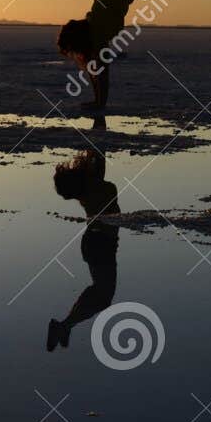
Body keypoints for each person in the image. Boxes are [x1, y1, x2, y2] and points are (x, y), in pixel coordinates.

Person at [47, 146, 120, 350]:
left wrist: (99, 118)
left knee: (102, 293)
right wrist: (99, 118)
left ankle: (65, 326)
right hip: (99, 243)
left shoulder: (92, 185)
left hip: (98, 242)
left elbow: (99, 147)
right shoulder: (92, 187)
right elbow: (99, 150)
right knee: (102, 294)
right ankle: (64, 325)